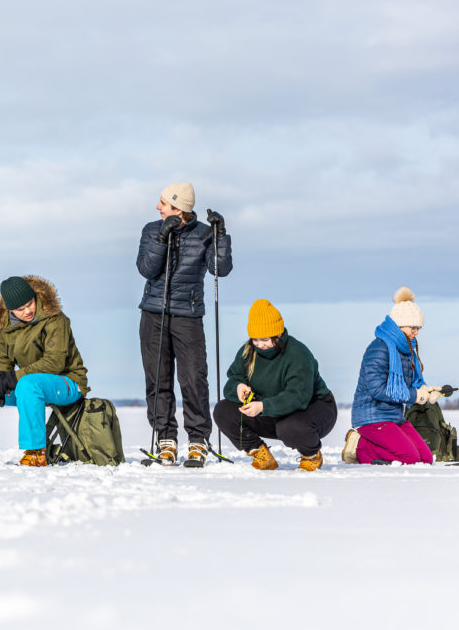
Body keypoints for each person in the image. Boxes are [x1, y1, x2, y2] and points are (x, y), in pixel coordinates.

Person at [136, 182, 232, 466]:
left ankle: (198, 440)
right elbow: (146, 269)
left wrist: (220, 236)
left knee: (193, 379)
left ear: (178, 208)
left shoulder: (204, 232)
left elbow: (220, 269)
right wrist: (161, 238)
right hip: (153, 314)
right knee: (158, 380)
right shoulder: (151, 230)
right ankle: (165, 439)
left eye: (163, 202)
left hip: (188, 317)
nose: (158, 206)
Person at [0, 276, 88, 467]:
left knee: (28, 385)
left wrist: (11, 378)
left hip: (66, 383)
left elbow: (54, 362)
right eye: (20, 309)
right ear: (10, 309)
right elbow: (3, 359)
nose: (27, 311)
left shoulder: (55, 319)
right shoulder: (5, 325)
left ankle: (36, 452)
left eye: (30, 304)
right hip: (28, 387)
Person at [212, 299, 337, 471]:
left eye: (264, 339)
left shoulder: (298, 354)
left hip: (311, 409)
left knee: (290, 428)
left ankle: (312, 455)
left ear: (277, 334)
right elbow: (233, 380)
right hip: (270, 410)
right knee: (223, 410)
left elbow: (297, 397)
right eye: (255, 340)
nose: (260, 345)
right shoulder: (248, 351)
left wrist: (263, 406)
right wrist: (239, 387)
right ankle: (259, 452)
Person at [343, 287, 442, 465]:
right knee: (410, 458)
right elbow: (377, 389)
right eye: (413, 327)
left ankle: (373, 448)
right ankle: (359, 446)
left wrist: (427, 391)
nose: (416, 332)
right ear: (399, 325)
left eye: (419, 328)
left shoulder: (406, 350)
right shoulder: (379, 348)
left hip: (394, 417)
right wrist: (415, 395)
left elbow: (410, 385)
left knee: (425, 459)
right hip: (372, 417)